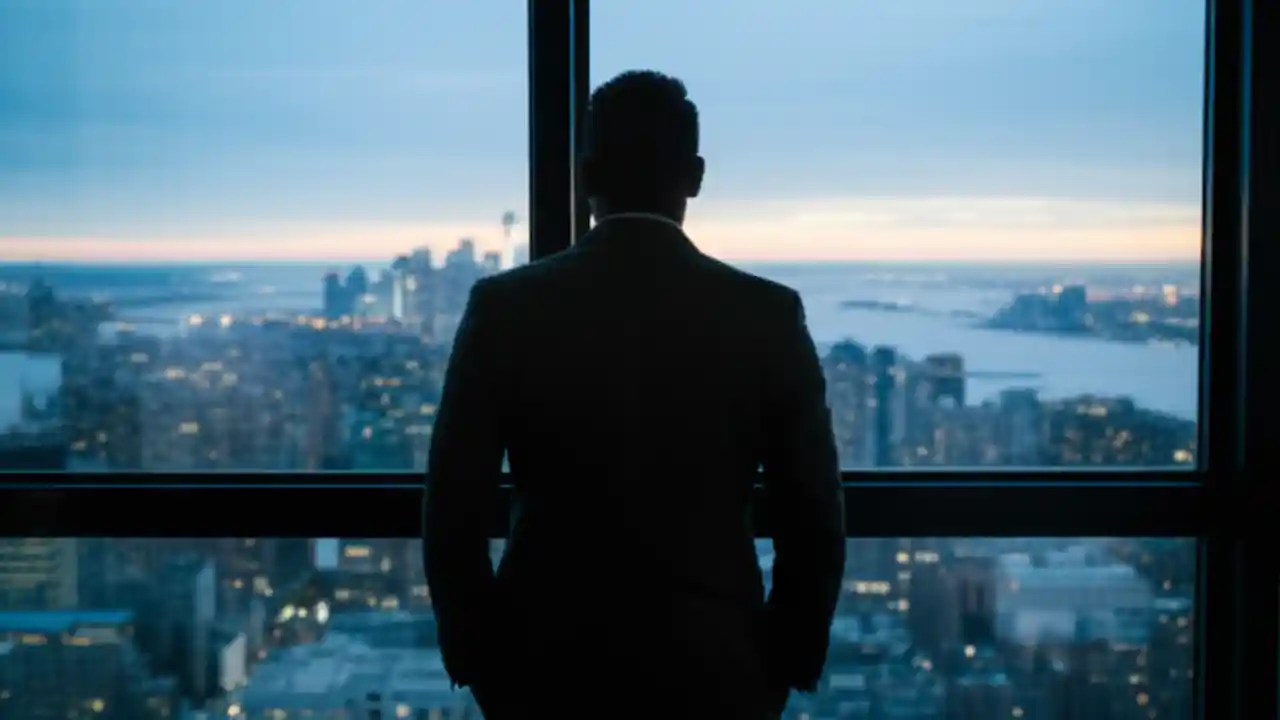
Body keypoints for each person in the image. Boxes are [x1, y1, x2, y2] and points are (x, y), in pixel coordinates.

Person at [424, 70, 845, 719]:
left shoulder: (504, 310)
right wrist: (781, 668)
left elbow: (453, 508)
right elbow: (812, 515)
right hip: (716, 670)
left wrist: (480, 661)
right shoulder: (766, 314)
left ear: (585, 174)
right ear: (696, 176)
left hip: (544, 668)